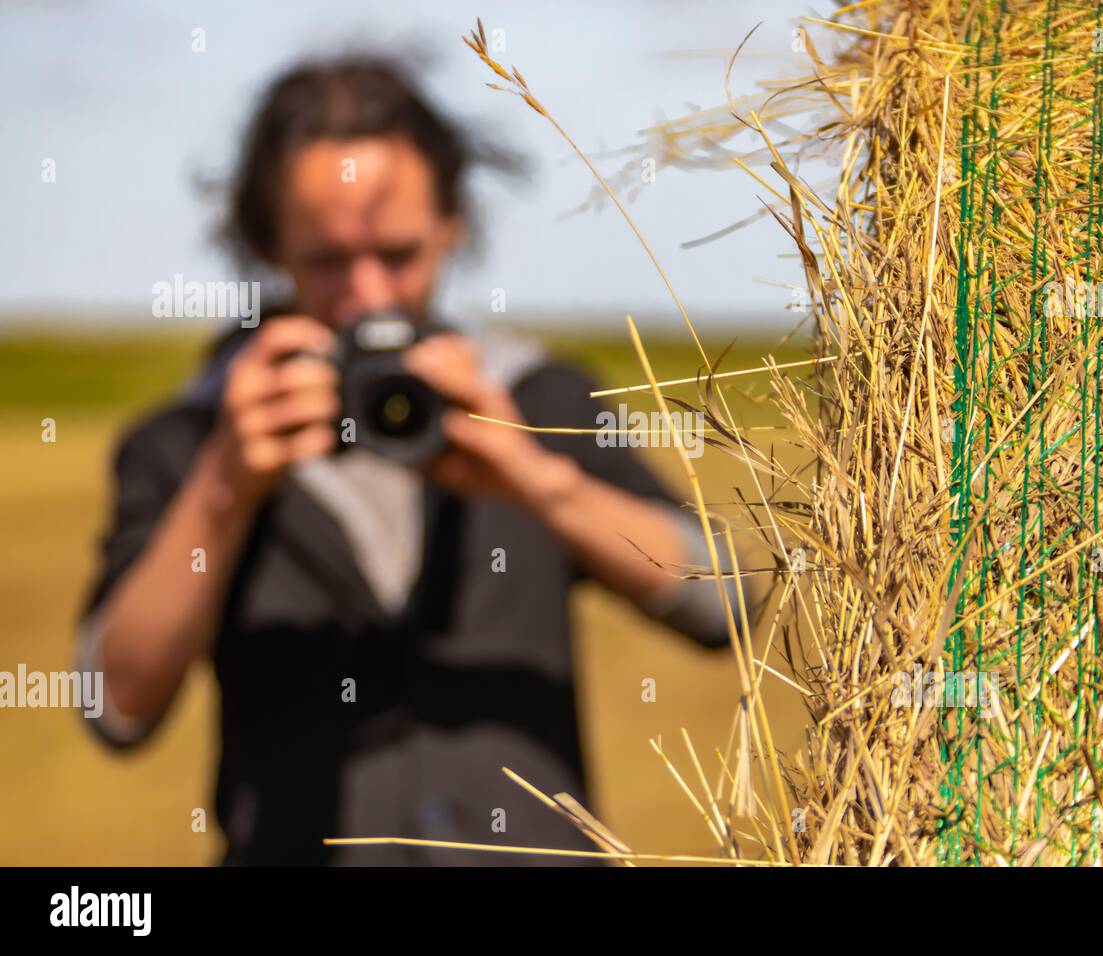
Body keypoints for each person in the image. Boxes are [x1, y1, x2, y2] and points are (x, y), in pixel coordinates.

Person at [78, 57, 740, 865]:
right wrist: (222, 489)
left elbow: (727, 603)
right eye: (327, 261)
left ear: (453, 225)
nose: (369, 298)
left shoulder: (540, 396)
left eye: (398, 255)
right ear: (268, 243)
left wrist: (536, 479)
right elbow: (114, 705)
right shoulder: (190, 438)